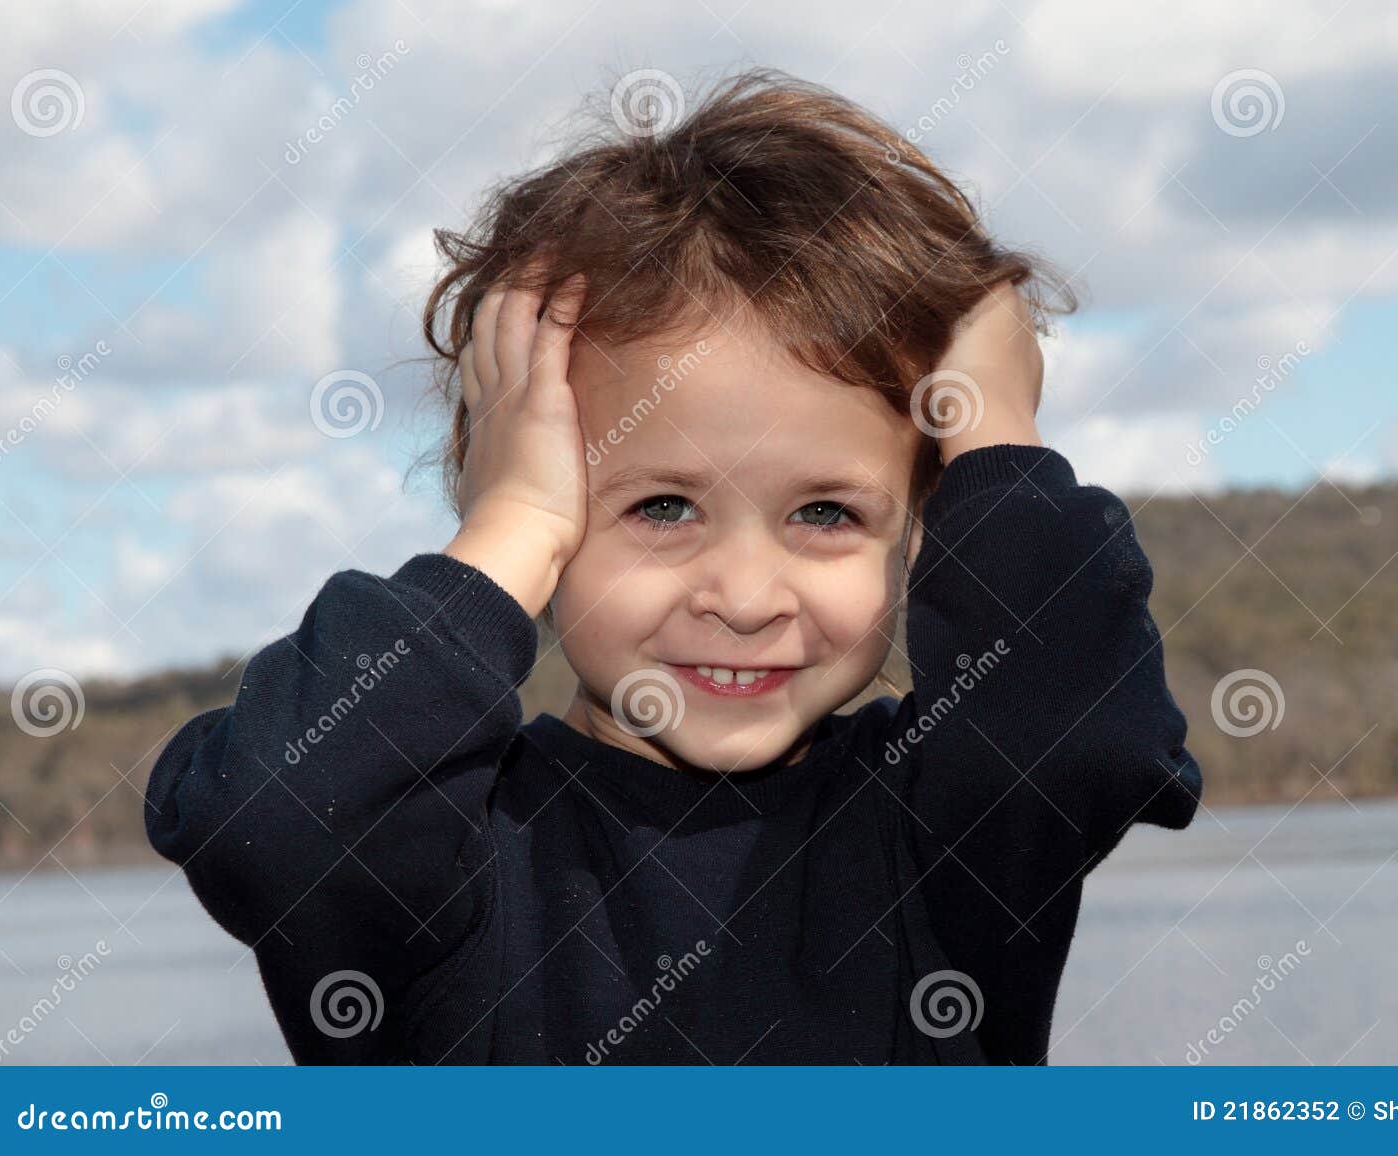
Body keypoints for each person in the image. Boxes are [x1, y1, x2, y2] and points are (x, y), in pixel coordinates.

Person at [145, 67, 1202, 1065]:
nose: (743, 598)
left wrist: (993, 432)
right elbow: (273, 816)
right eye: (662, 507)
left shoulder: (944, 835)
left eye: (826, 513)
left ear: (928, 533)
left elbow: (1085, 741)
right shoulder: (450, 861)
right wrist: (512, 519)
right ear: (537, 509)